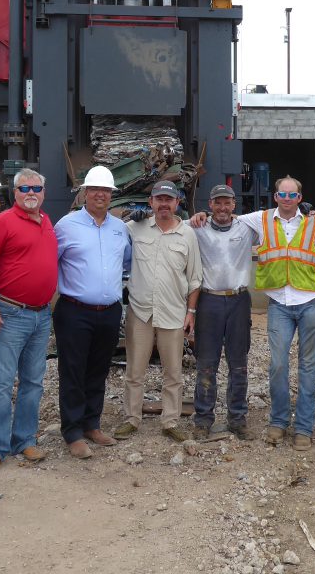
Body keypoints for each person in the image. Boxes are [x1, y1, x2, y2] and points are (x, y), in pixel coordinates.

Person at [191, 175, 315, 451]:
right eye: (281, 195)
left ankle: (302, 428)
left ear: (299, 197)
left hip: (308, 301)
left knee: (307, 368)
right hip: (275, 303)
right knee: (276, 366)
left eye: (291, 195)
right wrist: (200, 214)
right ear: (275, 197)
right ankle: (276, 421)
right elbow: (223, 217)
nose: (286, 199)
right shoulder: (259, 220)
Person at [0, 169, 57, 472]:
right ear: (15, 192)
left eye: (36, 187)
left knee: (33, 383)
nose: (31, 193)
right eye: (24, 188)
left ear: (44, 192)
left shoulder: (47, 222)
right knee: (2, 383)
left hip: (40, 315)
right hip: (9, 314)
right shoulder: (2, 222)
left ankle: (25, 441)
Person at [53, 166, 132, 459]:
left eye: (106, 190)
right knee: (73, 370)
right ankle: (72, 431)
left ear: (112, 195)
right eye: (95, 189)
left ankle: (92, 424)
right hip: (75, 311)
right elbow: (51, 261)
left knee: (99, 370)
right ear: (85, 193)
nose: (101, 194)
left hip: (109, 311)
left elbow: (126, 264)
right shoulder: (66, 225)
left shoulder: (119, 228)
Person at [115, 180, 202, 442]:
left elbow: (195, 278)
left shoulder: (188, 235)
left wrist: (191, 312)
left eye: (169, 199)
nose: (164, 204)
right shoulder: (135, 227)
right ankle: (131, 419)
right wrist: (129, 215)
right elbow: (108, 225)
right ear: (151, 202)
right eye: (159, 199)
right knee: (135, 370)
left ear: (177, 203)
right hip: (140, 312)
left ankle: (171, 420)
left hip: (173, 313)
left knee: (173, 372)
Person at [192, 184, 260, 440]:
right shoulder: (197, 227)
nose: (222, 208)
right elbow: (173, 226)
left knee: (239, 364)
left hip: (238, 301)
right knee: (206, 364)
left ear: (234, 205)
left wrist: (310, 217)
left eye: (227, 203)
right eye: (217, 202)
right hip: (209, 301)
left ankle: (237, 418)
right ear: (210, 205)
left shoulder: (247, 228)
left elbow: (279, 227)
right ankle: (203, 419)